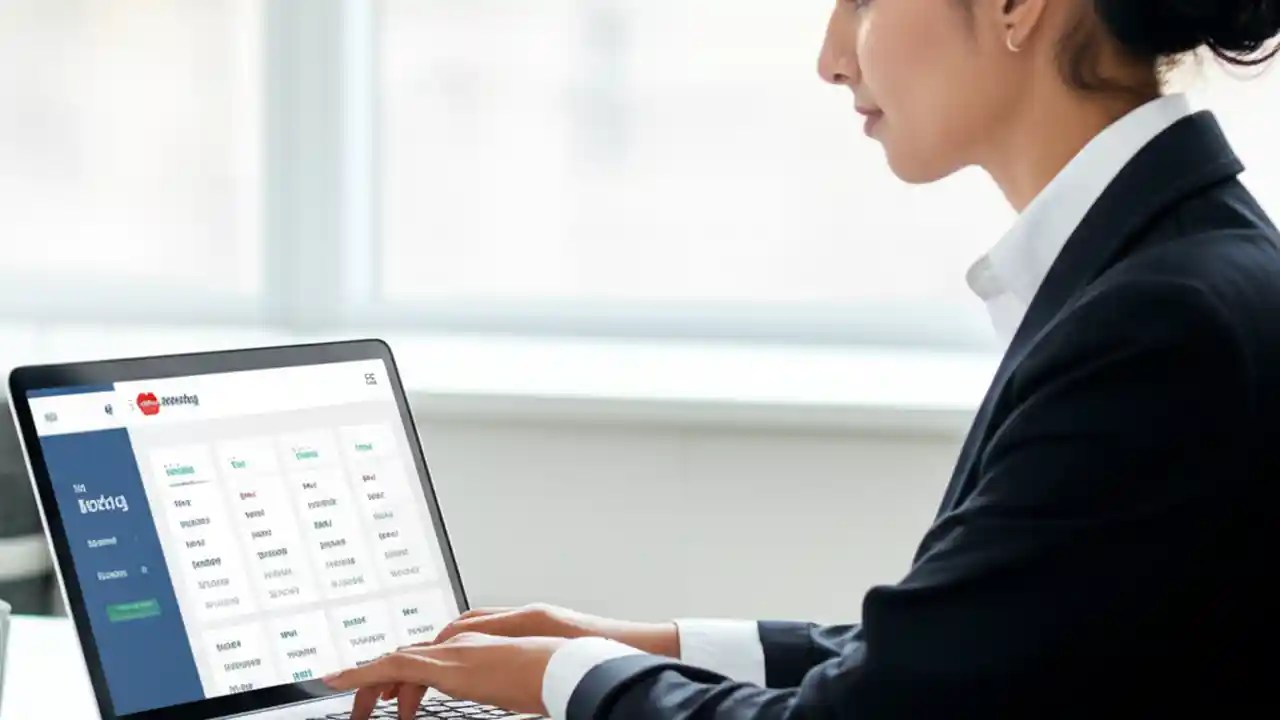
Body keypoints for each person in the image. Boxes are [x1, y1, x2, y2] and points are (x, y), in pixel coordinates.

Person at [325, 1, 1280, 717]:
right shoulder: (1181, 268)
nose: (830, 56)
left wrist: (560, 681)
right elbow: (976, 647)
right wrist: (638, 643)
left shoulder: (1158, 327)